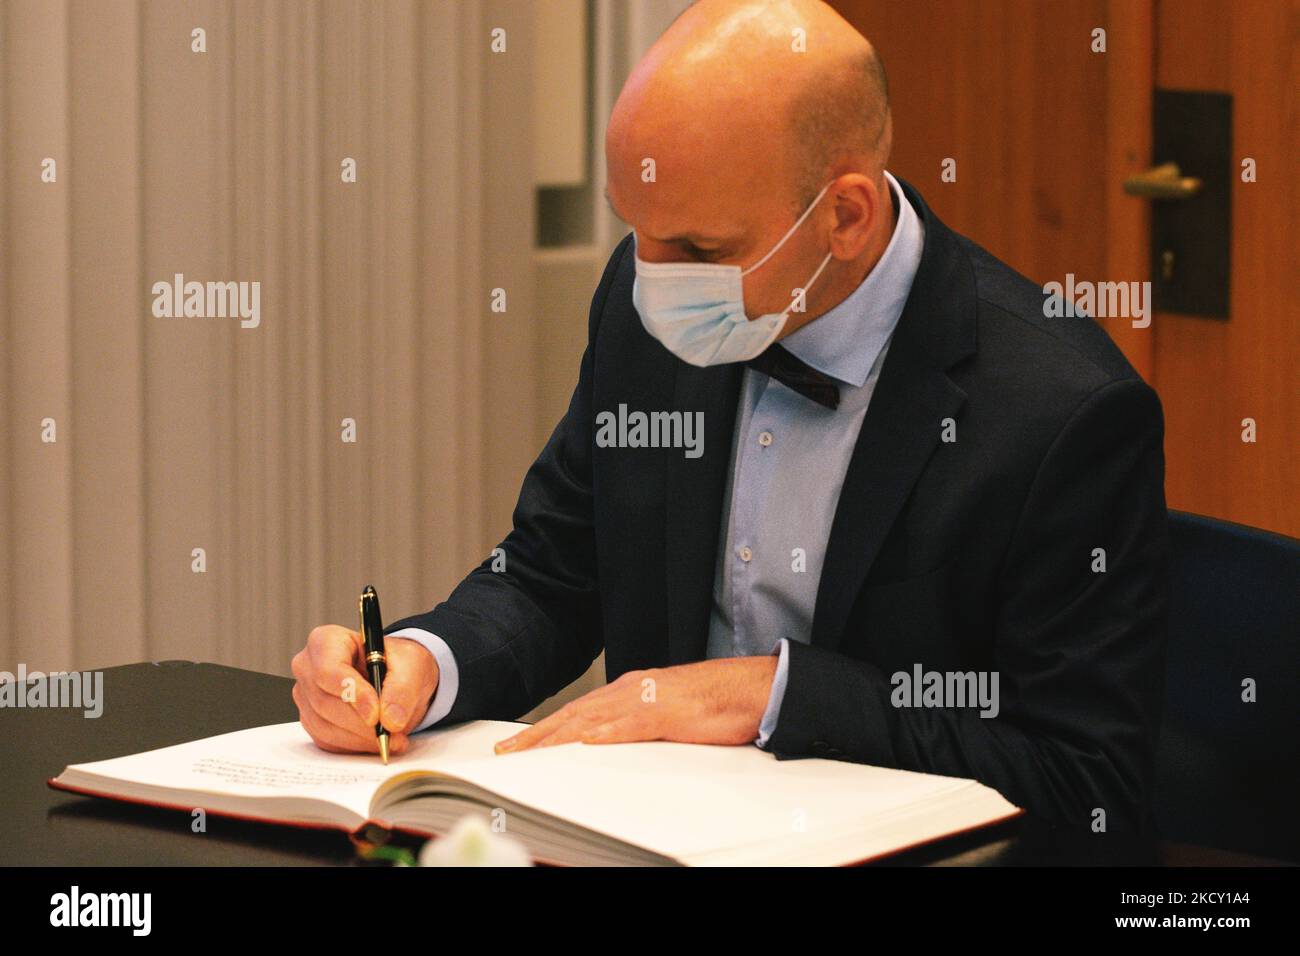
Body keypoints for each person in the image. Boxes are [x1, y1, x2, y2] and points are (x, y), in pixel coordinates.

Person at [292, 0, 1168, 831]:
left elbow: (1083, 775)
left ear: (846, 217)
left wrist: (773, 693)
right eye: (636, 230)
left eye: (702, 250)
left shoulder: (1061, 413)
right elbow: (552, 573)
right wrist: (423, 665)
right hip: (646, 836)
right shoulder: (644, 313)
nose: (653, 278)